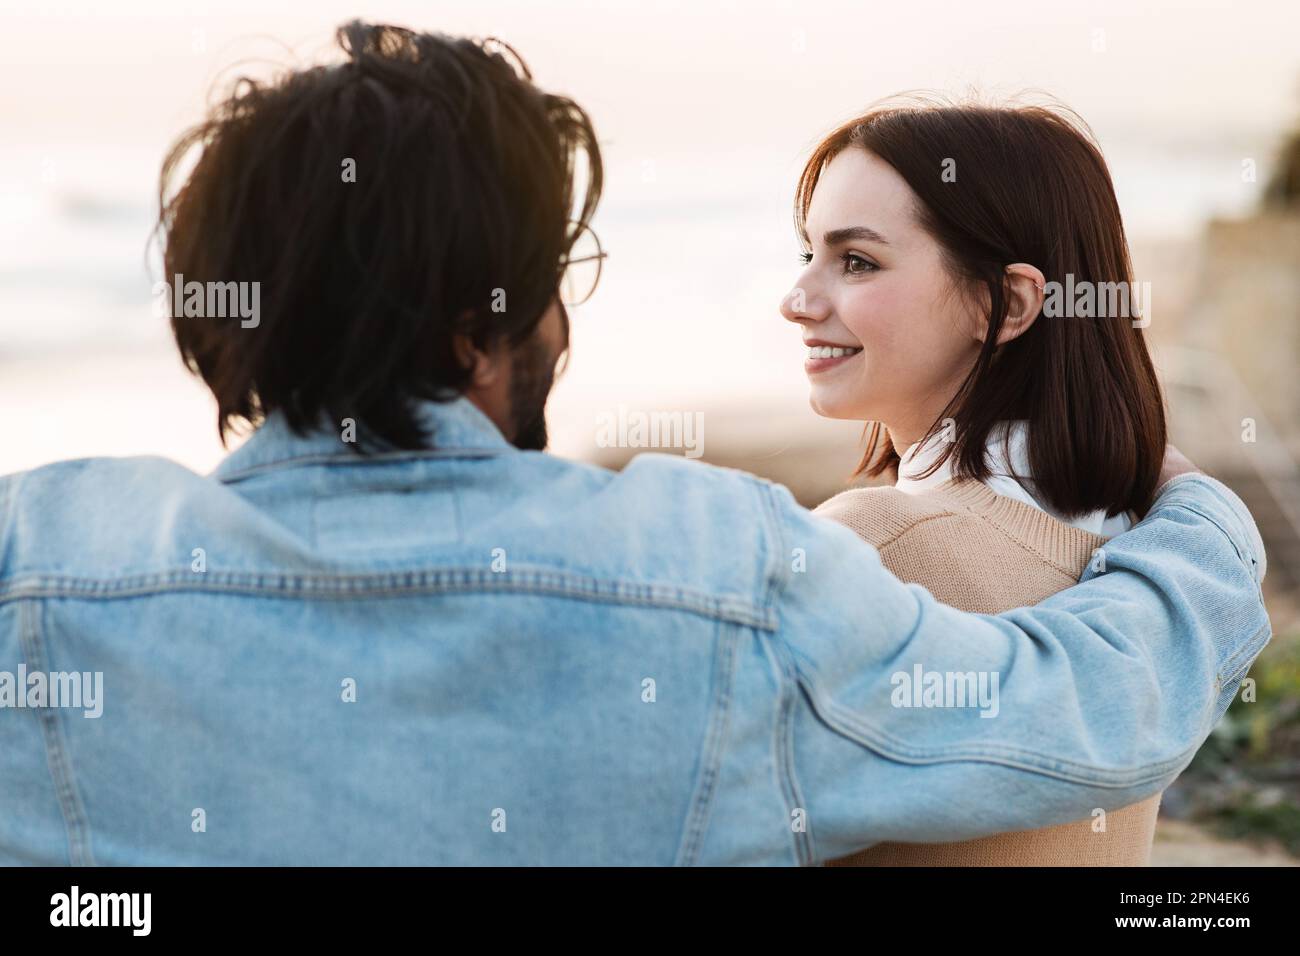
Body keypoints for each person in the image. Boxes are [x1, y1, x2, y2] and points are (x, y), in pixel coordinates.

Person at [0, 22, 1269, 865]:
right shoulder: (721, 574)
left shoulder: (29, 564)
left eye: (855, 260)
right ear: (495, 321)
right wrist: (1200, 519)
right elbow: (1085, 709)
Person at [783, 98, 1173, 865]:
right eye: (807, 256)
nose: (797, 301)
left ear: (1008, 304)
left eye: (856, 261)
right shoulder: (1145, 543)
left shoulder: (868, 547)